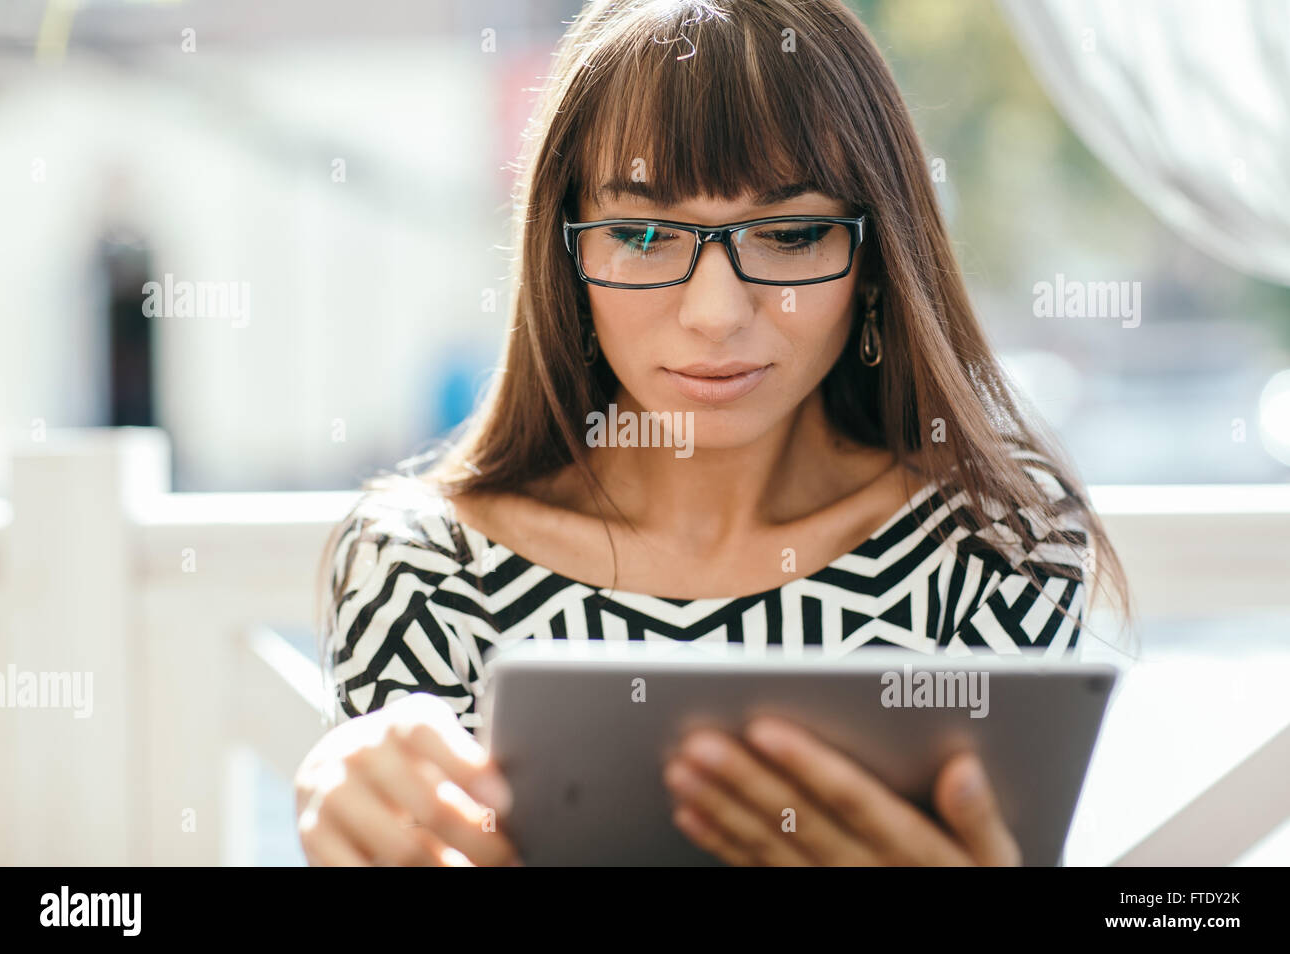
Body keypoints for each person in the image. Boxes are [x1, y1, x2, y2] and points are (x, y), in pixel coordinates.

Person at [295, 0, 1133, 867]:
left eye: (793, 233)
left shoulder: (993, 545)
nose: (716, 314)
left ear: (880, 257)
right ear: (565, 257)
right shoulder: (426, 573)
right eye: (645, 234)